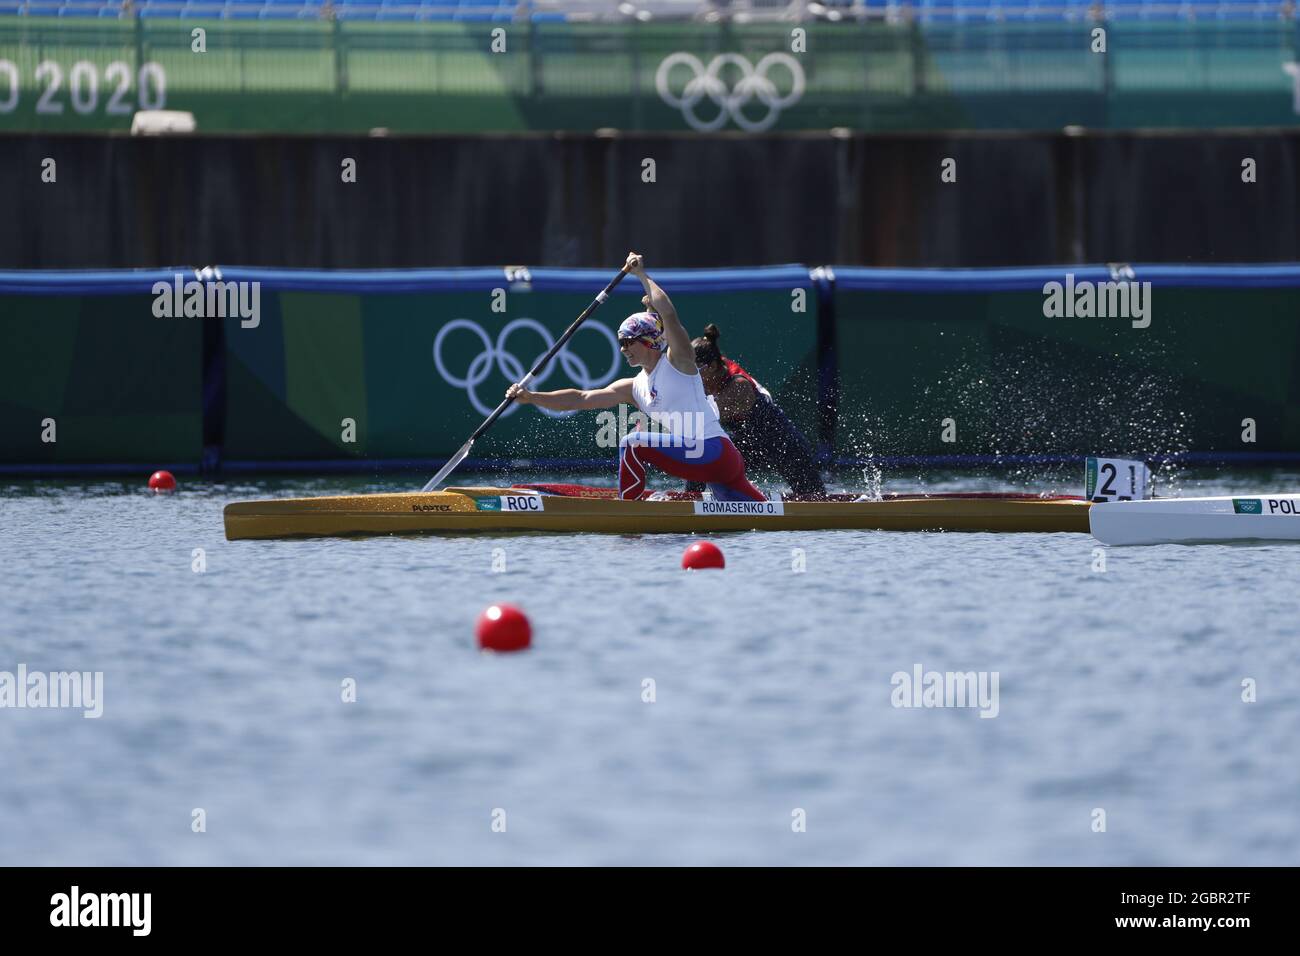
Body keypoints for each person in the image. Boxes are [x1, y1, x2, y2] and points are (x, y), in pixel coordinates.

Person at [505, 253, 766, 502]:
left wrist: (641, 274)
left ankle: (629, 510)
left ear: (651, 341)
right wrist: (531, 397)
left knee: (632, 442)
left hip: (715, 454)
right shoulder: (632, 387)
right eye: (621, 342)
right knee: (766, 512)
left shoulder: (680, 361)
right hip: (716, 464)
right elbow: (580, 398)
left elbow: (669, 315)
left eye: (629, 342)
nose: (623, 349)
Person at [690, 324, 826, 499]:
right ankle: (690, 499)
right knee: (701, 454)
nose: (689, 375)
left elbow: (707, 418)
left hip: (783, 445)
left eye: (694, 370)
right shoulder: (711, 367)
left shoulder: (738, 386)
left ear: (713, 366)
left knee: (815, 497)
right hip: (749, 444)